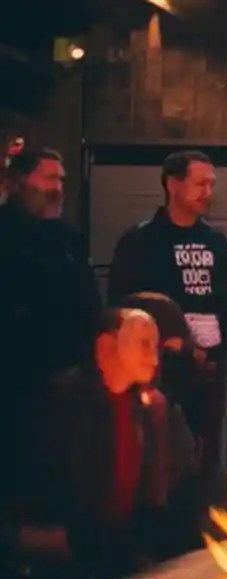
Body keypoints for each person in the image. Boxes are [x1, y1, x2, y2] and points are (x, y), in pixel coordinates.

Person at [3, 308, 196, 579]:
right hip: (60, 565)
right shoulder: (61, 403)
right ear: (106, 346)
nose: (154, 358)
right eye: (143, 344)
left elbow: (163, 492)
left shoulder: (153, 410)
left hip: (123, 558)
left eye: (156, 347)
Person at [109, 150, 227, 477]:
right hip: (160, 365)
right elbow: (123, 304)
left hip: (209, 367)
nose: (209, 193)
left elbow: (226, 300)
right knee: (155, 449)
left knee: (205, 450)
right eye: (200, 184)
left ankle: (201, 512)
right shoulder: (140, 240)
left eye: (212, 184)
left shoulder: (216, 241)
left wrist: (218, 352)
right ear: (173, 185)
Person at [1, 147, 102, 528]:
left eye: (61, 180)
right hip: (15, 377)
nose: (58, 188)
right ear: (20, 182)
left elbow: (87, 301)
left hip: (67, 376)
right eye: (49, 179)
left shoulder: (67, 239)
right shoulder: (6, 236)